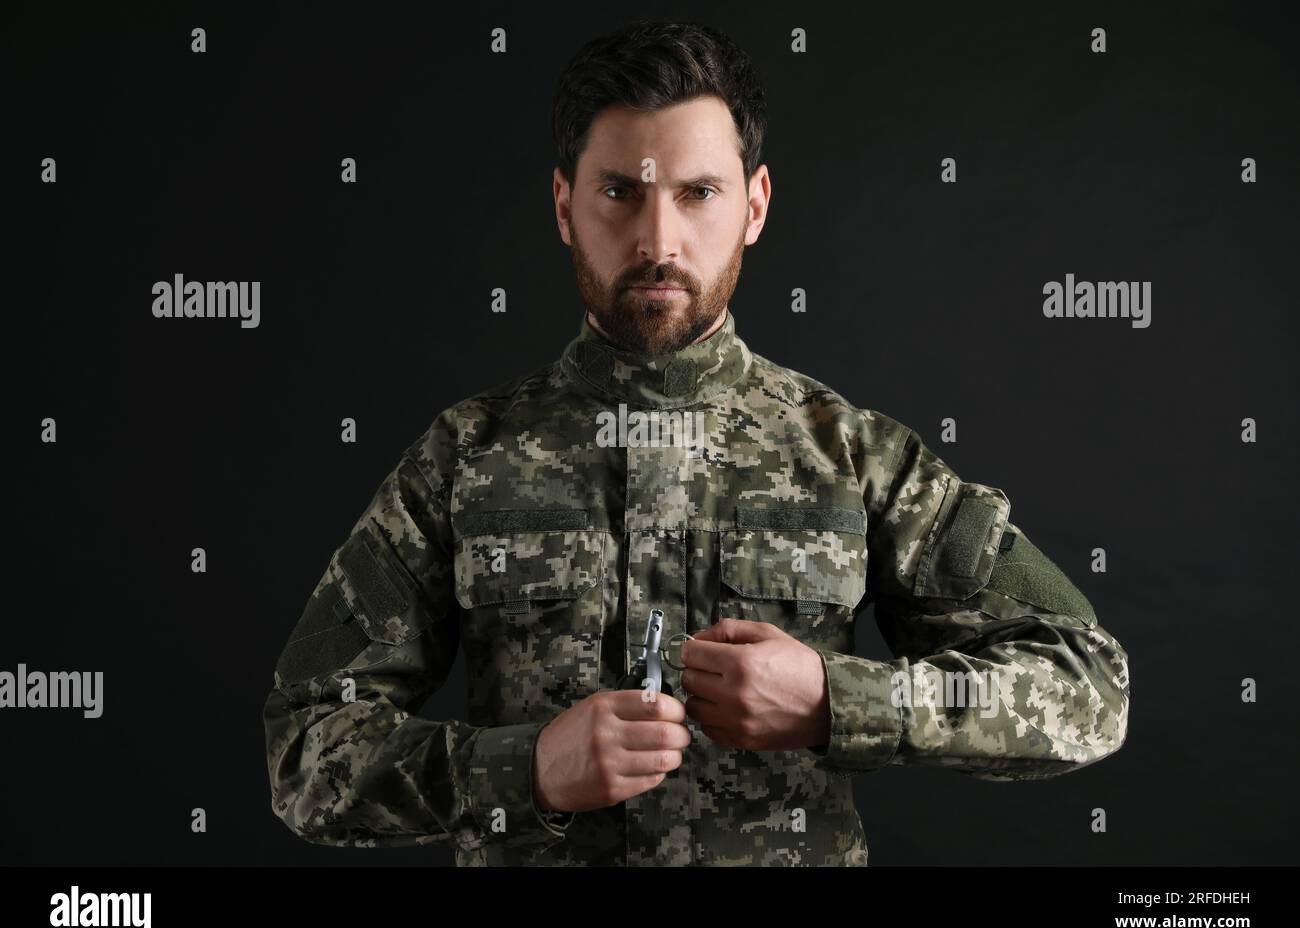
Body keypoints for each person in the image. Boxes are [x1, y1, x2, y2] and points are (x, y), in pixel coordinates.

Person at [262, 19, 1129, 866]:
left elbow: (1089, 686)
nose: (657, 242)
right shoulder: (462, 458)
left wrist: (841, 700)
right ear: (565, 206)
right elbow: (304, 750)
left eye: (697, 193)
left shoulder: (855, 458)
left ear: (753, 206)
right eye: (619, 193)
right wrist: (523, 771)